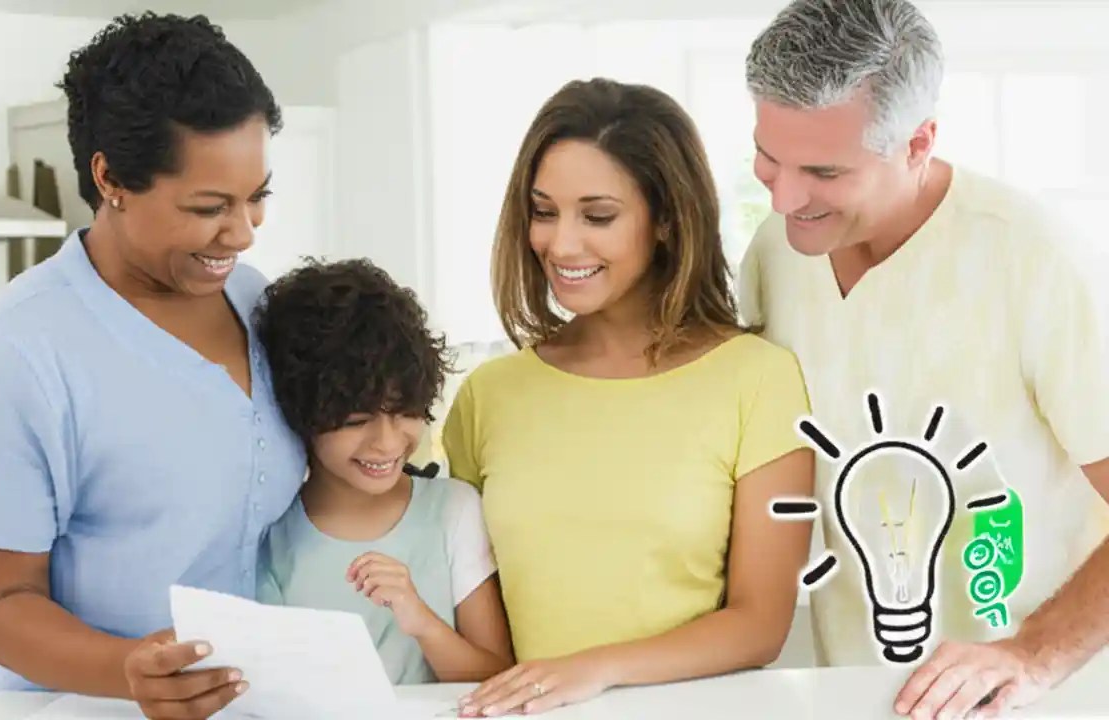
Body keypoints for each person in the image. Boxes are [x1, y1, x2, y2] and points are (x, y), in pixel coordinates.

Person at [739, 1, 1109, 717]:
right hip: (849, 696)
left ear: (918, 143)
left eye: (822, 169)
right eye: (767, 157)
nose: (784, 197)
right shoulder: (772, 254)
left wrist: (1032, 654)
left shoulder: (1034, 258)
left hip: (1031, 701)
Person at [0, 12, 307, 719]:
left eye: (257, 197)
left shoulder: (262, 306)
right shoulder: (14, 352)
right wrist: (127, 670)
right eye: (209, 206)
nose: (244, 231)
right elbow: (5, 606)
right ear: (111, 178)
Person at [444, 78, 816, 717]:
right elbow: (472, 627)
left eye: (598, 216)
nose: (560, 244)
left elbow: (760, 624)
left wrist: (592, 671)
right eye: (543, 211)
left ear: (667, 219)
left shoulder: (757, 380)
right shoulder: (490, 396)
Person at [251, 258, 514, 685]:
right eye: (356, 421)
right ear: (300, 414)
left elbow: (496, 675)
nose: (388, 443)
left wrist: (421, 621)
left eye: (405, 412)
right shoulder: (271, 534)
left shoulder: (453, 510)